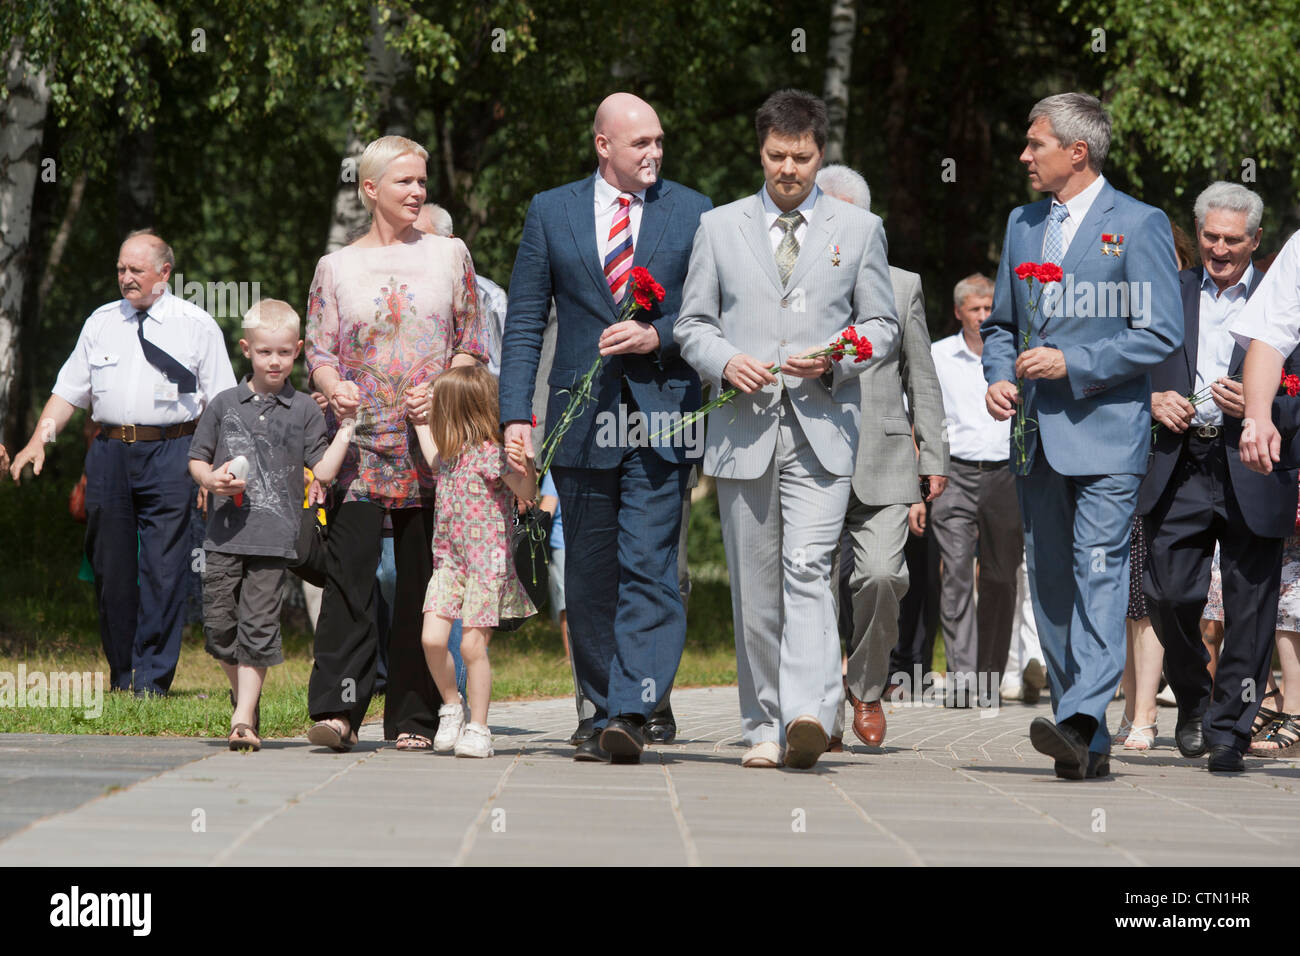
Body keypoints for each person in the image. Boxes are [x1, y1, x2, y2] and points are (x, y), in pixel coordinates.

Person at [676, 89, 898, 769]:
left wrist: (837, 355)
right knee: (754, 585)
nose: (788, 169)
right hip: (744, 432)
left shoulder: (861, 231)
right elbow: (691, 325)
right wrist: (726, 360)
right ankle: (762, 726)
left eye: (801, 157)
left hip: (825, 427)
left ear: (820, 153)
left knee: (807, 568)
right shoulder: (719, 227)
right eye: (777, 156)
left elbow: (882, 327)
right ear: (760, 150)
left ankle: (809, 711)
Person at [499, 92, 711, 764]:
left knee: (649, 567)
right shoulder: (551, 210)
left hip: (662, 415)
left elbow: (713, 311)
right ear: (603, 145)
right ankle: (596, 709)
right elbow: (527, 321)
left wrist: (660, 334)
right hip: (580, 418)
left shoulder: (695, 211)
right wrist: (515, 417)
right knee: (589, 573)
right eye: (639, 143)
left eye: (659, 141)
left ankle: (632, 708)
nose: (654, 153)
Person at [982, 92, 1181, 780]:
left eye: (1035, 143)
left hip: (1105, 437)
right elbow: (1003, 324)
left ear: (1077, 151)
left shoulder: (1142, 223)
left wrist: (1076, 363)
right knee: (1054, 588)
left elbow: (1159, 331)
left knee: (1099, 573)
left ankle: (1079, 716)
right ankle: (1084, 736)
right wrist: (997, 376)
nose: (1024, 155)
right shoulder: (1021, 223)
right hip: (1035, 439)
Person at [304, 135, 488, 753]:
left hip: (433, 450)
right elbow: (319, 354)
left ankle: (414, 716)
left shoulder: (450, 254)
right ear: (370, 189)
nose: (418, 192)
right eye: (405, 182)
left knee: (421, 584)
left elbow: (474, 341)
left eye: (422, 181)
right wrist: (335, 388)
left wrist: (440, 388)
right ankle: (338, 712)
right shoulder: (336, 267)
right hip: (358, 450)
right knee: (350, 581)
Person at [9, 231, 235, 696]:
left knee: (164, 567)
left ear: (164, 273)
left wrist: (214, 469)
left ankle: (152, 678)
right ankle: (121, 673)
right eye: (120, 269)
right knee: (110, 567)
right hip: (109, 453)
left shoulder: (196, 324)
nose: (126, 278)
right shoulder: (101, 322)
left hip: (174, 450)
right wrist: (39, 439)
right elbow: (69, 391)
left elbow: (222, 406)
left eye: (136, 270)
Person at [1139, 183, 1296, 772]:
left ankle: (1229, 730)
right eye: (1210, 236)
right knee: (1165, 593)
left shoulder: (1287, 300)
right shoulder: (1165, 294)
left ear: (1257, 239)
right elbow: (1126, 368)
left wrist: (1263, 408)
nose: (1220, 249)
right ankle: (1195, 699)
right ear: (1197, 232)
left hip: (1256, 461)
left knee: (1251, 607)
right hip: (1177, 463)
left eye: (1234, 239)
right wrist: (1153, 400)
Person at [816, 164, 947, 748]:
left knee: (881, 576)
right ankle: (818, 706)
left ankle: (867, 687)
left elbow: (922, 378)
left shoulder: (901, 286)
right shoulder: (792, 284)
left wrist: (933, 456)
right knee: (810, 585)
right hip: (808, 454)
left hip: (886, 459)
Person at [188, 299, 353, 751]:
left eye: (284, 352)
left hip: (274, 539)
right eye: (265, 352)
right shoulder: (224, 405)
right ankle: (245, 695)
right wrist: (211, 480)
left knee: (258, 625)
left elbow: (322, 471)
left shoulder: (304, 410)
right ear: (247, 350)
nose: (274, 361)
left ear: (298, 350)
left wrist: (346, 431)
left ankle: (243, 719)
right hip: (222, 537)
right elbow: (197, 460)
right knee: (221, 629)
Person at [413, 365, 538, 758]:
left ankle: (480, 727)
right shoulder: (450, 455)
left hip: (486, 566)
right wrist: (418, 420)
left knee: (471, 647)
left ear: (459, 410)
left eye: (439, 408)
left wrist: (526, 463)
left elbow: (527, 491)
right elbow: (432, 456)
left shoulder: (491, 456)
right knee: (432, 638)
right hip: (449, 564)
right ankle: (452, 707)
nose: (436, 415)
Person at [929, 273, 1024, 707]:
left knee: (1003, 578)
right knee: (957, 575)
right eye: (976, 310)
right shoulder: (938, 355)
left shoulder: (1016, 355)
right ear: (959, 313)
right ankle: (963, 677)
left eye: (990, 310)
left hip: (1007, 473)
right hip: (954, 474)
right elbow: (923, 417)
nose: (984, 317)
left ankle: (990, 678)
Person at [416, 203, 508, 376]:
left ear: (450, 242)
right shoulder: (399, 295)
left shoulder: (487, 296)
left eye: (423, 242)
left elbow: (501, 374)